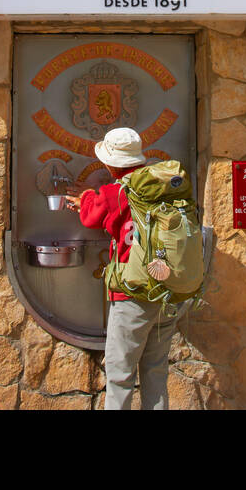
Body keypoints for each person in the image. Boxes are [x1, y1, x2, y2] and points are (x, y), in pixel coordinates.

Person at [65, 126, 181, 410]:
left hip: (134, 296)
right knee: (155, 371)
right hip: (168, 292)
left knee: (120, 376)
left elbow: (92, 216)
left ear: (110, 163)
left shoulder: (116, 192)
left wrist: (87, 198)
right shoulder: (161, 185)